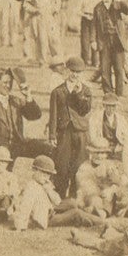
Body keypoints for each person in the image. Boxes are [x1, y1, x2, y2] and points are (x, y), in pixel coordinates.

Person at [0, 68, 46, 163]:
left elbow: (35, 115)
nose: (8, 86)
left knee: (47, 148)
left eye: (10, 83)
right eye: (5, 83)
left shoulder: (16, 101)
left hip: (18, 147)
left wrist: (28, 96)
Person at [48, 54, 94, 196]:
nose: (75, 75)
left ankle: (74, 199)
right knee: (61, 166)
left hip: (80, 133)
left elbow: (85, 109)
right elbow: (53, 114)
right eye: (72, 71)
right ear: (66, 71)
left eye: (78, 72)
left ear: (82, 74)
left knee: (79, 166)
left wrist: (78, 93)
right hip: (63, 133)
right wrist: (52, 135)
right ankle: (60, 198)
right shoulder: (57, 91)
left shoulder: (85, 91)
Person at [6, 155, 60, 231]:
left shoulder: (47, 184)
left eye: (48, 174)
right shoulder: (31, 185)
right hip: (38, 215)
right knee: (76, 214)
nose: (45, 176)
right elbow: (23, 204)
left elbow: (58, 201)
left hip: (49, 212)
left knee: (71, 204)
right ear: (34, 170)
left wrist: (49, 190)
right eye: (42, 172)